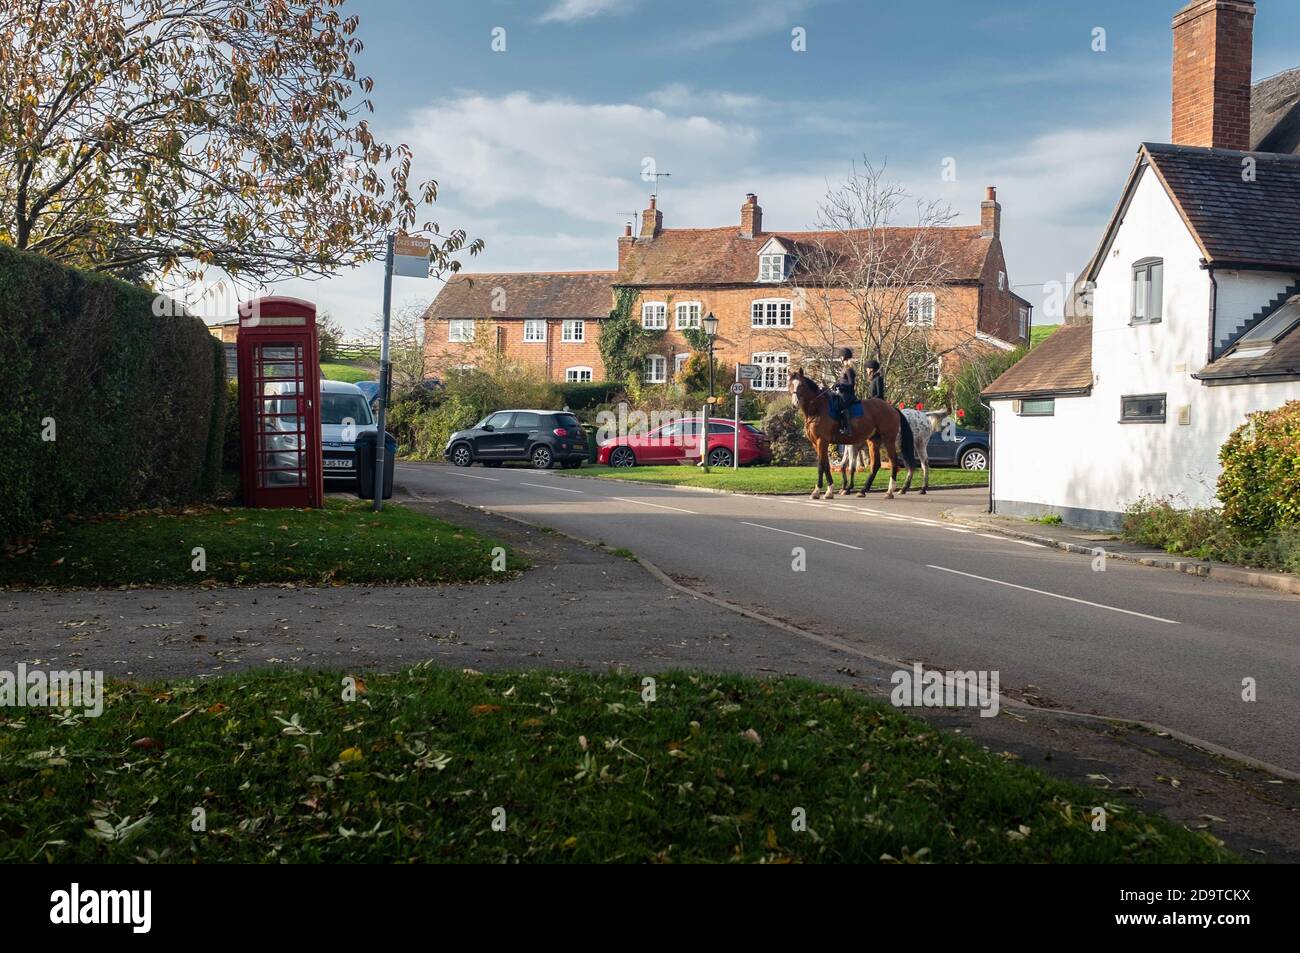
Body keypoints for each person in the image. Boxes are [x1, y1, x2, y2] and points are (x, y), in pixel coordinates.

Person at [833, 348, 857, 436]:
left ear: (843, 357)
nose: (840, 358)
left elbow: (851, 384)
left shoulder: (849, 370)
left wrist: (841, 386)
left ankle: (847, 428)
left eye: (840, 357)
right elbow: (842, 381)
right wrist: (836, 384)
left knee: (840, 406)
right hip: (842, 394)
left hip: (848, 395)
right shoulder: (844, 369)